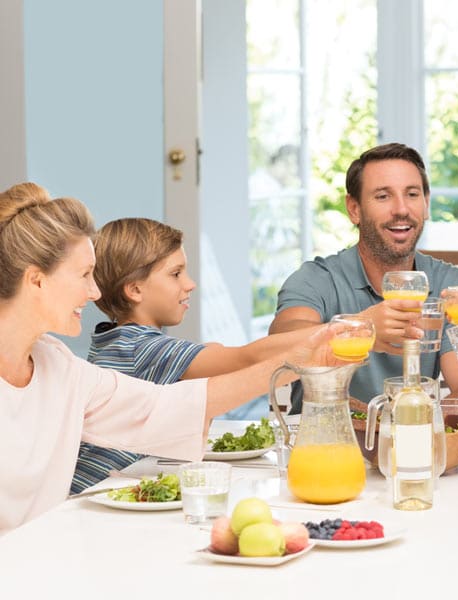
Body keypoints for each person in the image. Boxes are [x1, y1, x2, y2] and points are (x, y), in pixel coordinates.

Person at [0, 183, 339, 533]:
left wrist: (299, 360)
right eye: (85, 275)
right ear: (36, 281)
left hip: (47, 550)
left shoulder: (58, 366)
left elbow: (164, 407)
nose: (95, 292)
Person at [70, 217, 330, 493]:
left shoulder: (115, 339)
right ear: (135, 290)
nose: (190, 284)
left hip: (97, 488)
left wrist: (207, 355)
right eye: (175, 274)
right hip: (95, 493)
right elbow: (248, 358)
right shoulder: (139, 348)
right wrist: (341, 330)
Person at [269, 142, 458, 418]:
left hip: (418, 440)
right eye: (383, 196)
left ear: (426, 204)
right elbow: (279, 348)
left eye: (412, 194)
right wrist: (361, 328)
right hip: (327, 439)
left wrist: (415, 428)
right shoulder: (315, 280)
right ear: (354, 209)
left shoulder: (450, 285)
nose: (401, 209)